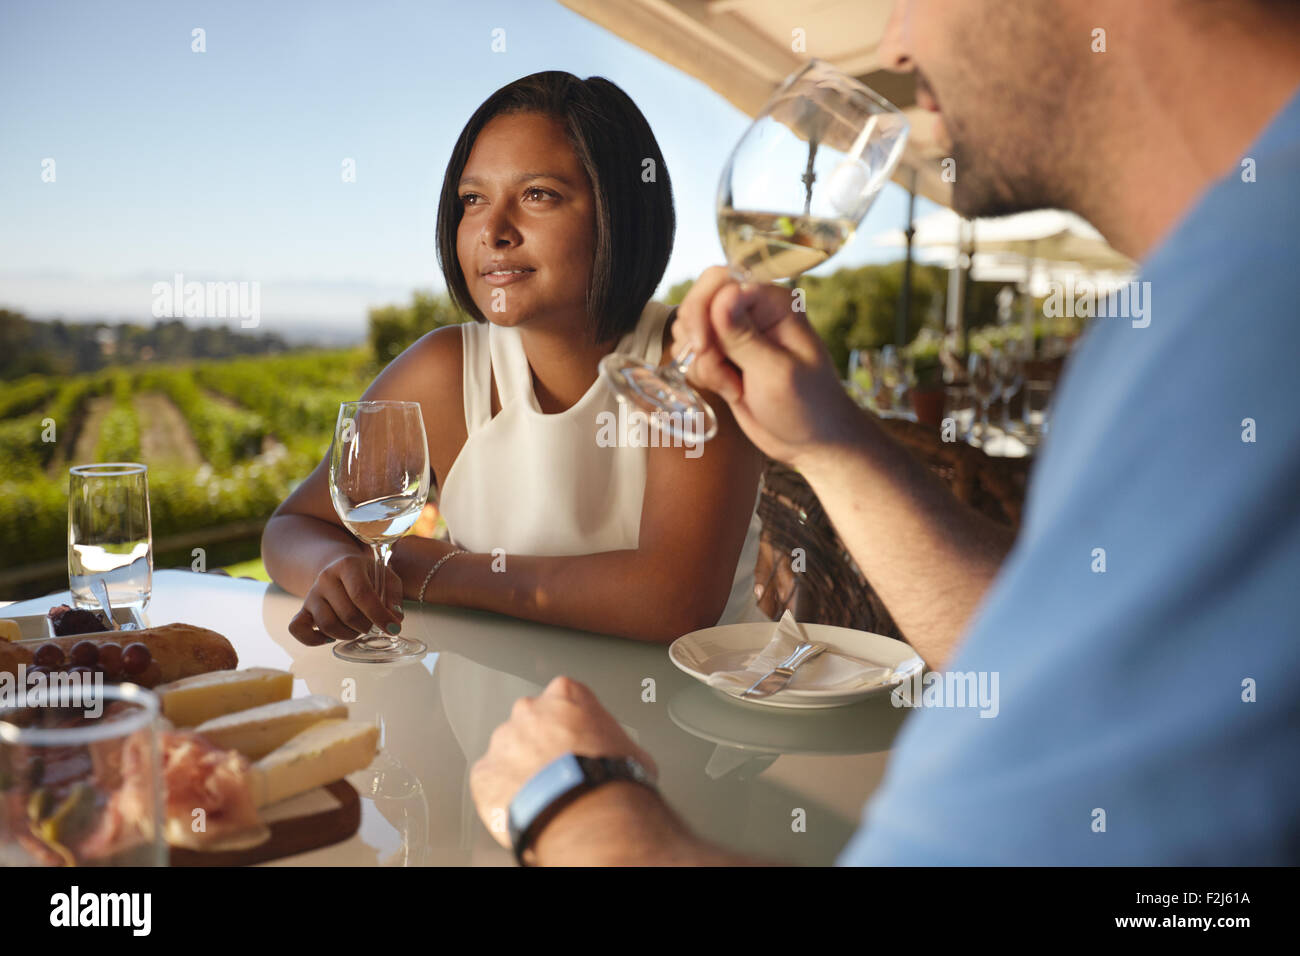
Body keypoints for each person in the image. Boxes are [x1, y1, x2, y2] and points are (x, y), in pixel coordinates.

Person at [469, 0, 1300, 864]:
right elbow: (1076, 669)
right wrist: (829, 442)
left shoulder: (1251, 302)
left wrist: (577, 809)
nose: (895, 43)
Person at [262, 72, 767, 646]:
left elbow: (670, 602)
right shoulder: (445, 370)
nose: (492, 231)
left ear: (620, 211)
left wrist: (424, 569)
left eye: (538, 195)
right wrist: (337, 570)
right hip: (502, 724)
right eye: (473, 200)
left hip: (693, 721)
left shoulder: (691, 361)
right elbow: (295, 526)